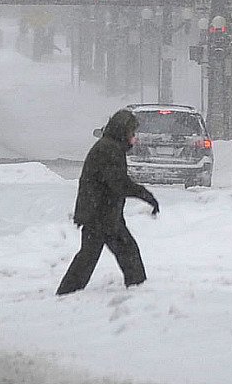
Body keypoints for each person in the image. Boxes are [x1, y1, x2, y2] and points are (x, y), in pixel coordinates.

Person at [56, 109, 159, 294]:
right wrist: (146, 195)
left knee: (98, 255)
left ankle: (68, 291)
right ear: (123, 132)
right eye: (132, 134)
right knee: (118, 253)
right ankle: (138, 290)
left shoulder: (110, 147)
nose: (134, 139)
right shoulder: (109, 150)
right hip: (100, 215)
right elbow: (118, 183)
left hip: (102, 214)